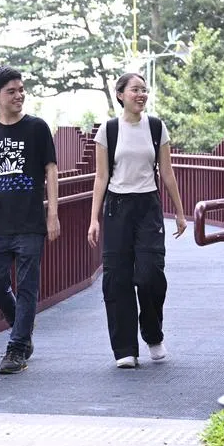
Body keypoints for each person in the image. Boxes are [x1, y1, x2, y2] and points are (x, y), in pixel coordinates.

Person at [0, 66, 60, 375]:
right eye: (11, 91)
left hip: (31, 223)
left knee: (28, 286)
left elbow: (51, 171)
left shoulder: (37, 128)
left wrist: (52, 213)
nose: (19, 95)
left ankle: (17, 348)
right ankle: (22, 324)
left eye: (21, 90)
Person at [87, 72, 187, 368]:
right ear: (120, 95)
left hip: (148, 206)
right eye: (135, 90)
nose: (141, 95)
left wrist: (180, 212)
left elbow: (167, 172)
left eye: (144, 90)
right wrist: (94, 219)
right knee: (117, 279)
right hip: (117, 207)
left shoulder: (156, 127)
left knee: (150, 274)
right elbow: (101, 177)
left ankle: (153, 334)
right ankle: (125, 349)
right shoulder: (108, 130)